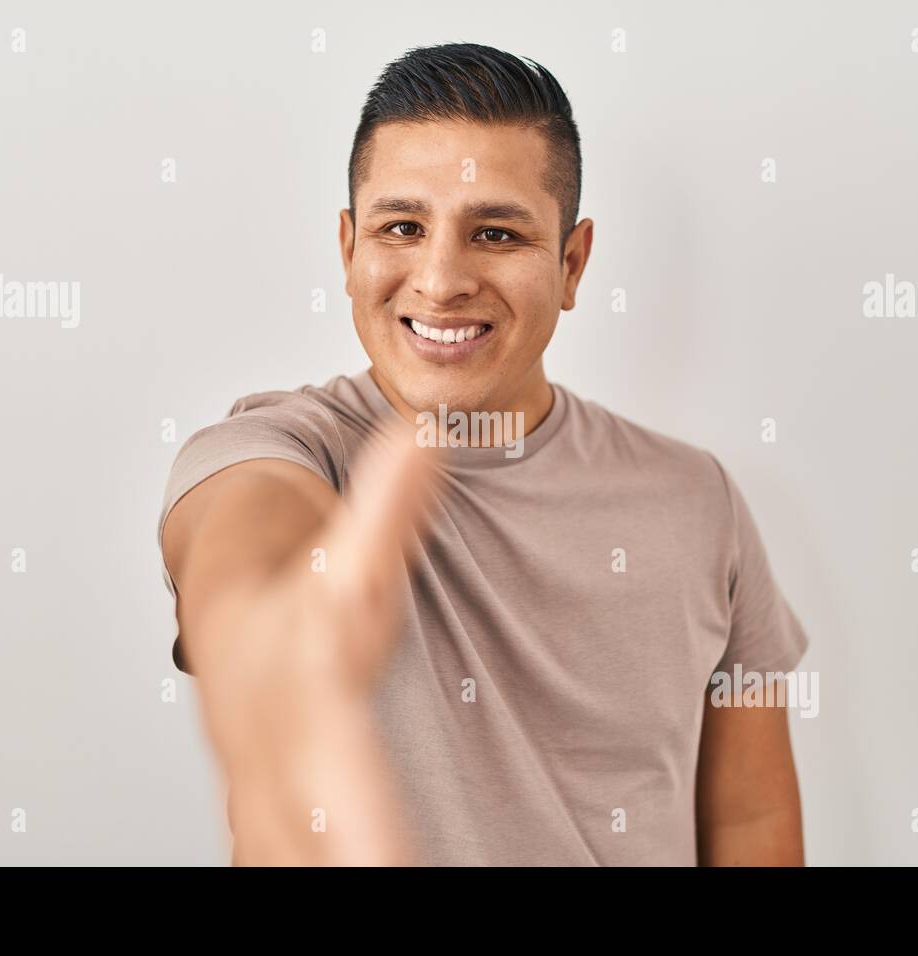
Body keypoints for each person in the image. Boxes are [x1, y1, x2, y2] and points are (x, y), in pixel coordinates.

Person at [157, 42, 810, 866]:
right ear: (348, 249)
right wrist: (258, 625)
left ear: (572, 265)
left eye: (495, 232)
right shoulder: (274, 449)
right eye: (402, 227)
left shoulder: (697, 499)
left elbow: (749, 824)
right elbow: (243, 534)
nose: (440, 280)